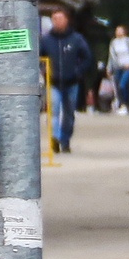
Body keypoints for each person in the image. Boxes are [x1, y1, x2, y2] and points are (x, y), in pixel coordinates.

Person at [39, 9, 92, 154]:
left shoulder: (76, 39)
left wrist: (78, 72)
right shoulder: (46, 40)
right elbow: (38, 58)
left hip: (71, 82)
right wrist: (43, 71)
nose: (57, 21)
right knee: (54, 112)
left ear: (66, 20)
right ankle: (55, 138)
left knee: (69, 114)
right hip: (53, 82)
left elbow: (87, 58)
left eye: (60, 18)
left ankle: (65, 140)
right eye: (54, 18)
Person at [107, 22, 129, 115]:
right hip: (118, 67)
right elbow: (112, 56)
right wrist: (109, 68)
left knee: (123, 84)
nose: (118, 32)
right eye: (117, 30)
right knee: (118, 86)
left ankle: (125, 104)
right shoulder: (114, 43)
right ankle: (120, 104)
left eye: (120, 30)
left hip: (128, 67)